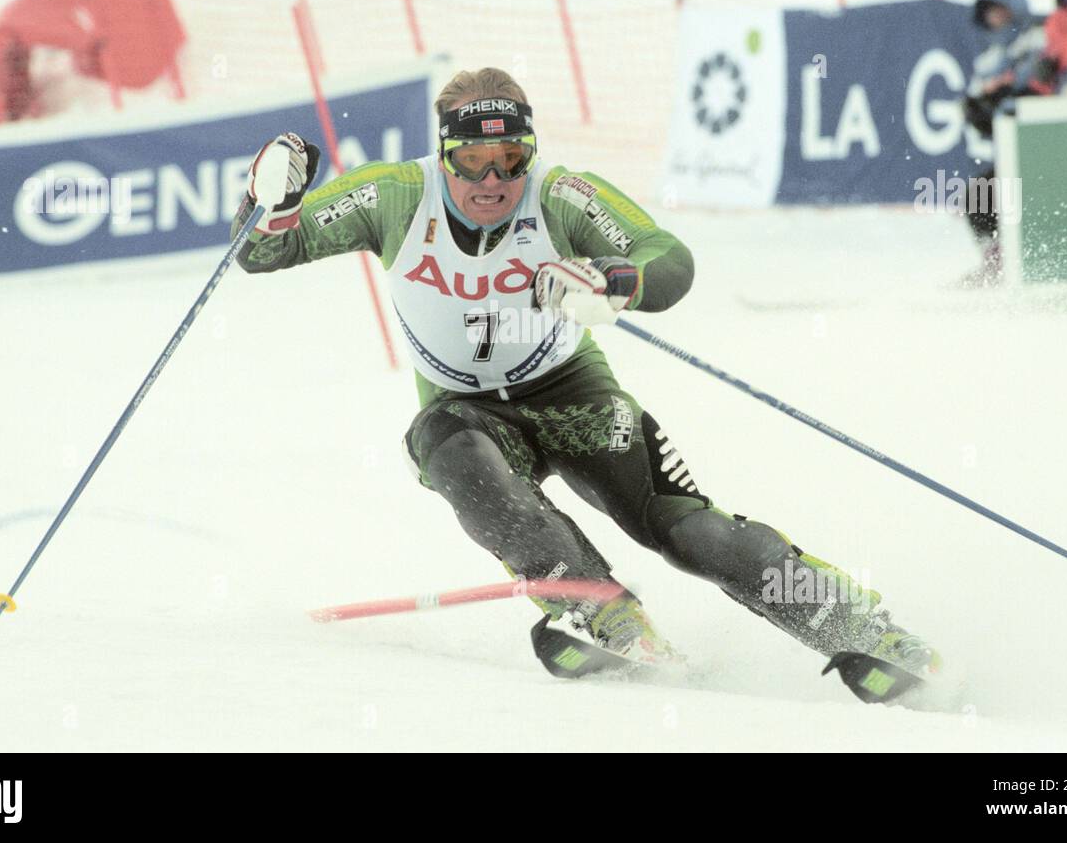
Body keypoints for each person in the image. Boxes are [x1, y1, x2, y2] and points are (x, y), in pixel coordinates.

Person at [231, 68, 939, 691]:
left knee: (690, 534)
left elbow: (671, 260)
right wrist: (274, 201)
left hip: (573, 393)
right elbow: (266, 251)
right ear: (444, 154)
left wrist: (612, 280)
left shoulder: (563, 195)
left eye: (511, 159)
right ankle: (598, 607)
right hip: (463, 409)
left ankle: (863, 629)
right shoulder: (393, 194)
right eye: (471, 160)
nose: (491, 182)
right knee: (451, 453)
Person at [960, 0, 1046, 286]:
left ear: (1015, 8)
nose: (995, 18)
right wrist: (977, 110)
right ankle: (997, 261)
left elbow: (1039, 83)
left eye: (1000, 10)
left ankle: (1033, 261)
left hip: (1044, 144)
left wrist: (1010, 94)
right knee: (978, 197)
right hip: (1012, 148)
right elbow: (982, 107)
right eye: (989, 12)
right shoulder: (989, 57)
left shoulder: (1039, 38)